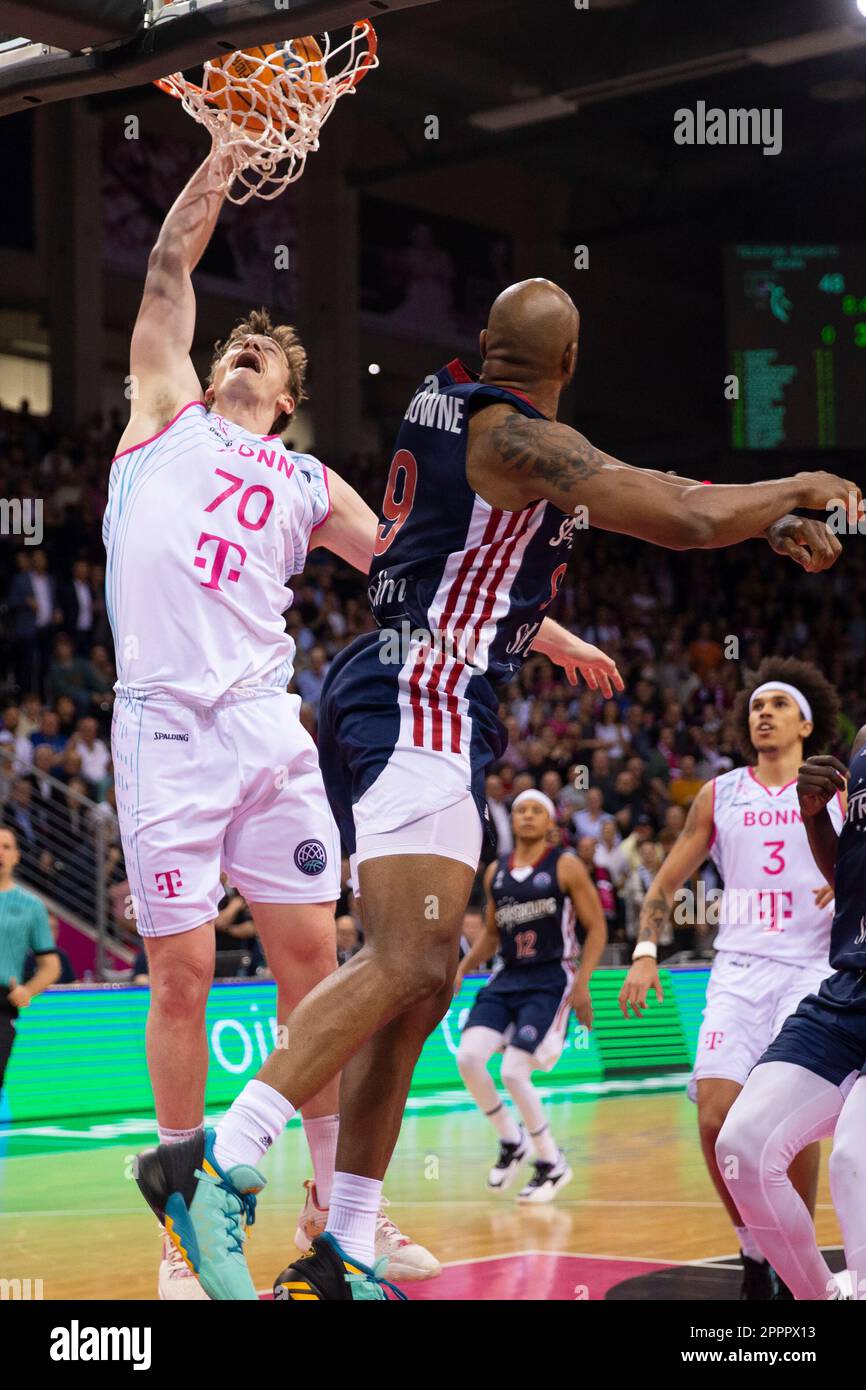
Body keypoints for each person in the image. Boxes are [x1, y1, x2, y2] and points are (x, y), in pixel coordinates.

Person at [135, 276, 854, 1302]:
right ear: (568, 364)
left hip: (411, 696)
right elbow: (676, 516)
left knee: (422, 984)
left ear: (487, 344)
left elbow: (625, 482)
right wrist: (792, 488)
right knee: (407, 956)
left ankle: (341, 1249)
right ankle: (213, 1159)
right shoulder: (511, 437)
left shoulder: (463, 408)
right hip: (418, 694)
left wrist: (755, 525)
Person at [112, 137, 437, 1297]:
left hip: (266, 731)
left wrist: (544, 629)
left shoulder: (305, 482)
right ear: (208, 377)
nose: (241, 351)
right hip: (163, 728)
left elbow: (414, 571)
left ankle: (334, 1215)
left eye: (263, 354)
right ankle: (181, 1228)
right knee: (186, 970)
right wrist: (222, 154)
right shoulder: (163, 414)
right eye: (232, 345)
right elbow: (163, 271)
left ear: (287, 402)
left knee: (319, 975)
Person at [619, 658, 843, 1299]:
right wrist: (643, 950)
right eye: (755, 706)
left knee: (788, 1126)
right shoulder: (721, 793)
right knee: (717, 1118)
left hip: (812, 970)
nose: (763, 713)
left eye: (777, 705)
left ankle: (798, 1271)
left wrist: (850, 879)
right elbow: (667, 882)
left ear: (806, 721)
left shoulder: (832, 784)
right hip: (739, 970)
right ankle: (755, 1249)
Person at [714, 725, 866, 1301]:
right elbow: (851, 878)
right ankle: (815, 1299)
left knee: (854, 1159)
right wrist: (813, 817)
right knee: (742, 1147)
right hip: (850, 983)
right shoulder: (863, 745)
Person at [455, 789, 606, 1201]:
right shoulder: (496, 872)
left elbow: (597, 928)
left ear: (549, 823)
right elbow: (490, 933)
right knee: (468, 1057)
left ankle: (552, 1161)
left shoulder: (566, 866)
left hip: (550, 978)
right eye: (520, 809)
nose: (526, 815)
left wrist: (584, 984)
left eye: (536, 810)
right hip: (507, 977)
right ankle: (511, 1139)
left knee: (513, 1071)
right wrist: (463, 969)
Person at [0, 828, 60, 1095]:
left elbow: (51, 965)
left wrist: (28, 990)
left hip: (3, 1002)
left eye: (6, 846)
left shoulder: (31, 905)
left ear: (17, 856)